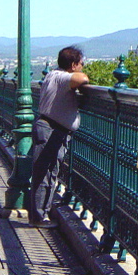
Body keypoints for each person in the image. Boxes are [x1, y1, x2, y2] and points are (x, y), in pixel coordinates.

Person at [29, 46, 89, 228]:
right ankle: (39, 217)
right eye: (81, 63)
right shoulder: (63, 77)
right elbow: (81, 78)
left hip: (49, 127)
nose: (82, 66)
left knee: (44, 172)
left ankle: (39, 213)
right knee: (46, 173)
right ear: (73, 64)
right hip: (52, 131)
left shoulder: (51, 75)